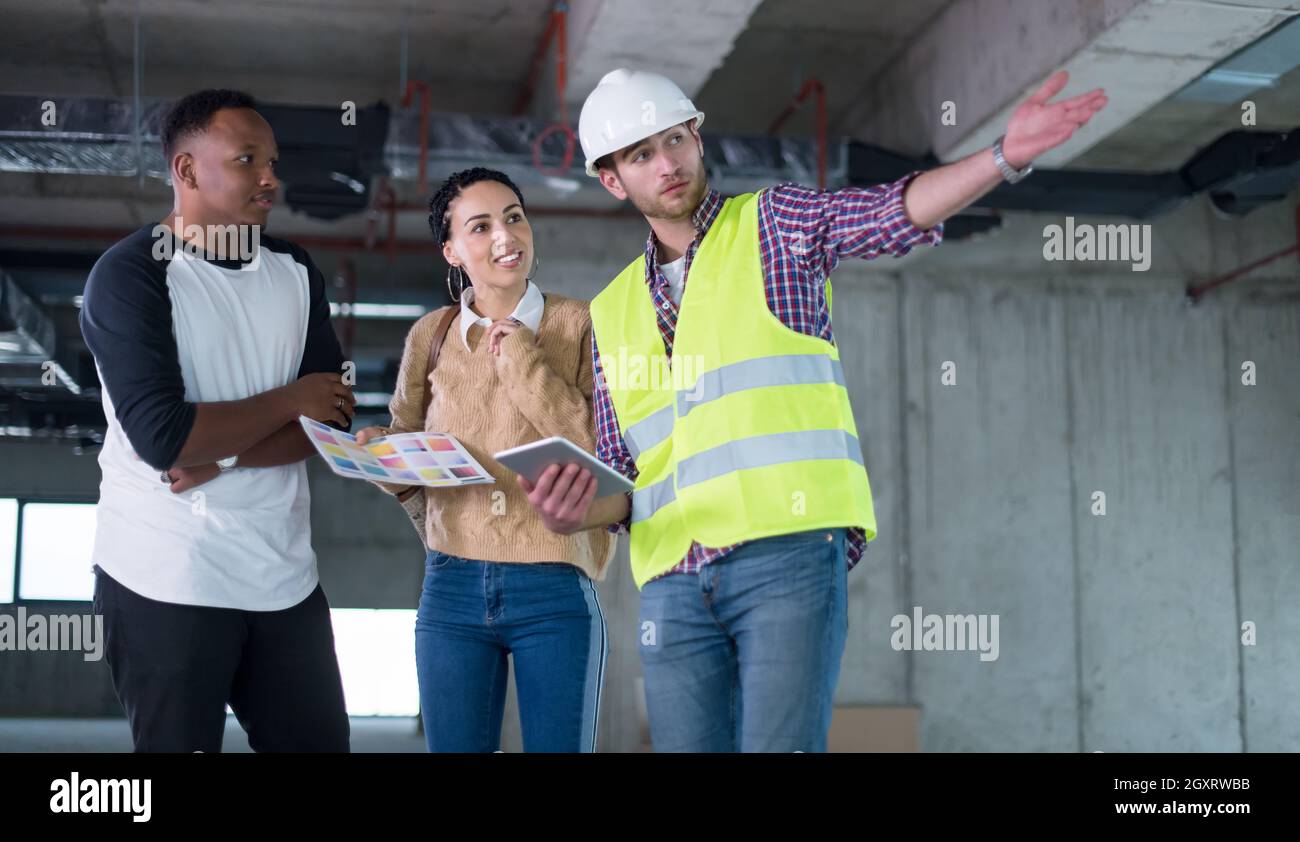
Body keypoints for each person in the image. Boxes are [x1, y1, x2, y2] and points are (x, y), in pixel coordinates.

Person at [520, 67, 1107, 751]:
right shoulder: (611, 310)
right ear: (613, 180)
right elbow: (626, 475)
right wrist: (573, 512)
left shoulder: (773, 225)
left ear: (697, 137)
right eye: (641, 153)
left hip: (786, 555)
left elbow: (890, 212)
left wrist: (1003, 156)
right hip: (673, 586)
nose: (668, 163)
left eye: (675, 139)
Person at [79, 89, 357, 752]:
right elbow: (166, 438)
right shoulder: (131, 277)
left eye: (272, 160)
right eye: (247, 159)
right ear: (187, 170)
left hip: (283, 577)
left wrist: (226, 456)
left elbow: (336, 423)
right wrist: (292, 400)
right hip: (167, 572)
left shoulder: (294, 272)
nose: (271, 177)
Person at [357, 167, 615, 753]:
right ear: (452, 251)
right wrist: (382, 458)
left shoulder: (581, 324)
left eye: (515, 217)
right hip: (451, 584)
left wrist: (523, 361)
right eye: (481, 226)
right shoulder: (432, 334)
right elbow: (409, 452)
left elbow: (600, 451)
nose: (506, 236)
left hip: (553, 583)